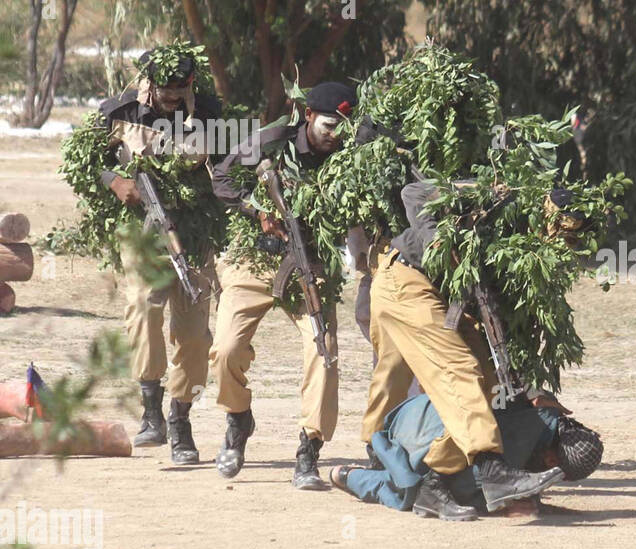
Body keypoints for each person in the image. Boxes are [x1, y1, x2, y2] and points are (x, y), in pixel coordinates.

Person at [359, 178, 566, 520]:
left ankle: (432, 477)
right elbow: (413, 191)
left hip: (443, 298)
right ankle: (490, 467)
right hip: (407, 279)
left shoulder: (531, 255)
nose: (557, 242)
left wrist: (526, 384)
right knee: (457, 370)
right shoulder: (497, 198)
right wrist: (439, 243)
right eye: (557, 229)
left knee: (484, 379)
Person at [207, 80, 356, 489]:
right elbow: (222, 179)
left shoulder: (355, 155)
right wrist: (257, 210)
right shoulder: (273, 140)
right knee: (225, 350)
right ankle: (238, 418)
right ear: (308, 116)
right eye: (328, 125)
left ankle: (309, 448)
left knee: (323, 351)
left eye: (343, 126)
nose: (336, 134)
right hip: (256, 257)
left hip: (312, 264)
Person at [90, 46, 223, 463]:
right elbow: (87, 160)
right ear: (150, 80)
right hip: (144, 231)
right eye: (164, 86)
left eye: (180, 87)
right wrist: (113, 180)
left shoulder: (212, 114)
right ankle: (152, 412)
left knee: (195, 333)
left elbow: (235, 167)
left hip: (195, 234)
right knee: (143, 307)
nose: (171, 94)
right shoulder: (120, 110)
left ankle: (180, 419)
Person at [330, 394, 602, 520]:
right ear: (553, 461)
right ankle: (350, 476)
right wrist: (504, 505)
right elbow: (464, 485)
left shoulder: (546, 413)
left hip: (416, 411)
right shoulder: (523, 437)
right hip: (416, 433)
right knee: (415, 492)